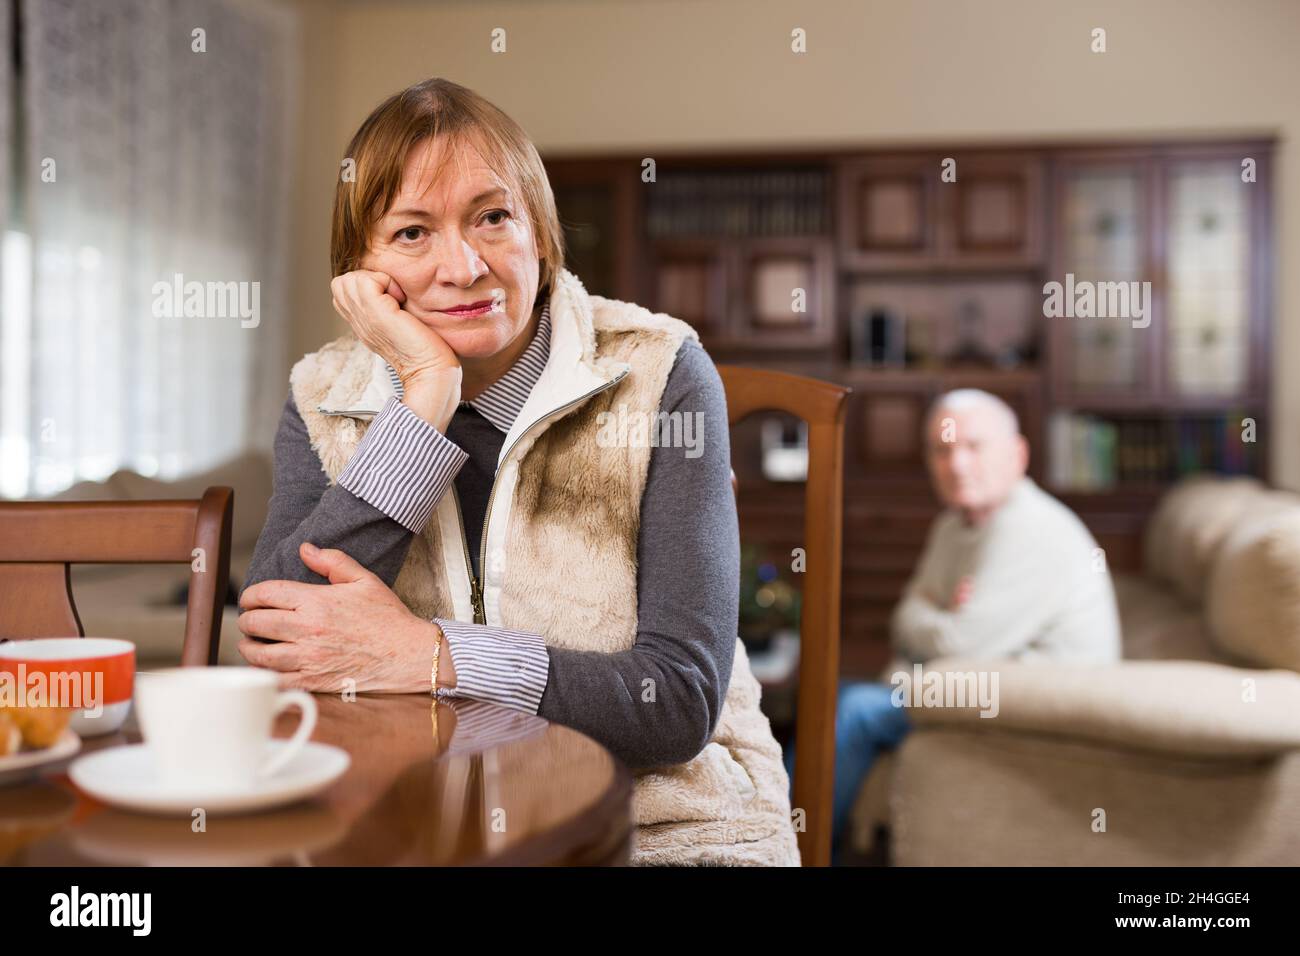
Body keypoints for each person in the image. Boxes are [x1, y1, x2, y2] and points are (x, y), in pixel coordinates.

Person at [236, 77, 799, 866]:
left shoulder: (659, 372)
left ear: (540, 231)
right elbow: (277, 636)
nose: (463, 267)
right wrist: (424, 400)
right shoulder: (323, 396)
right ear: (358, 271)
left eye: (492, 217)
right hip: (412, 825)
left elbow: (678, 701)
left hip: (663, 825)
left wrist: (435, 657)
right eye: (411, 234)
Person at [785, 388, 1121, 858]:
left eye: (974, 447)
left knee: (855, 709)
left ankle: (788, 849)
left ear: (1018, 454)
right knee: (837, 696)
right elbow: (906, 621)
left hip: (1034, 705)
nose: (956, 465)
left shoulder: (1033, 530)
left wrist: (938, 617)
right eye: (942, 450)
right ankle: (786, 837)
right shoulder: (953, 525)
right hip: (976, 685)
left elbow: (956, 644)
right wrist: (936, 617)